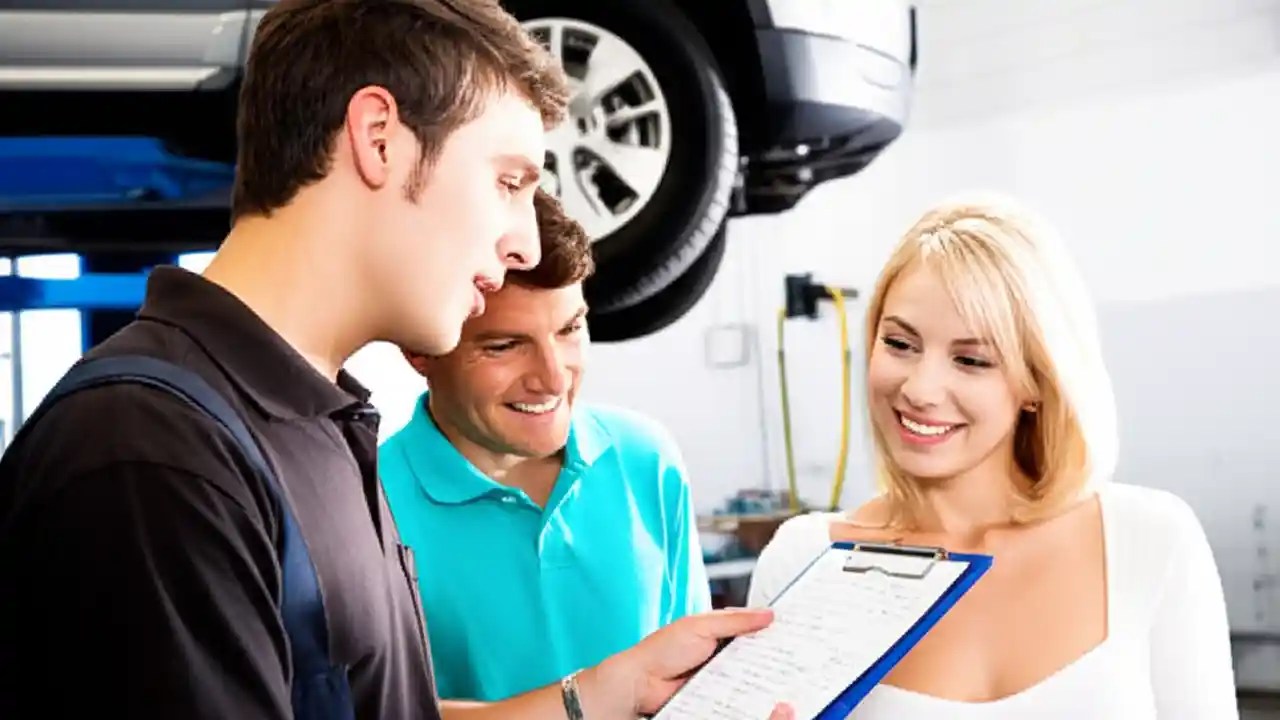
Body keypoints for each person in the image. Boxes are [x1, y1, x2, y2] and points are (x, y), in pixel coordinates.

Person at [0, 1, 790, 719]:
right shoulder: (149, 453)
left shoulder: (319, 428)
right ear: (379, 138)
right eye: (509, 181)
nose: (522, 238)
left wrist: (602, 698)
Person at [748, 195, 1238, 719]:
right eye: (899, 344)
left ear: (1037, 381)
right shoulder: (803, 559)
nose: (920, 388)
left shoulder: (1150, 539)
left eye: (971, 359)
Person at [379, 192, 712, 702]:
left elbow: (696, 686)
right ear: (419, 348)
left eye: (570, 328)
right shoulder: (370, 504)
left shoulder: (646, 458)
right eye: (504, 346)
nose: (554, 377)